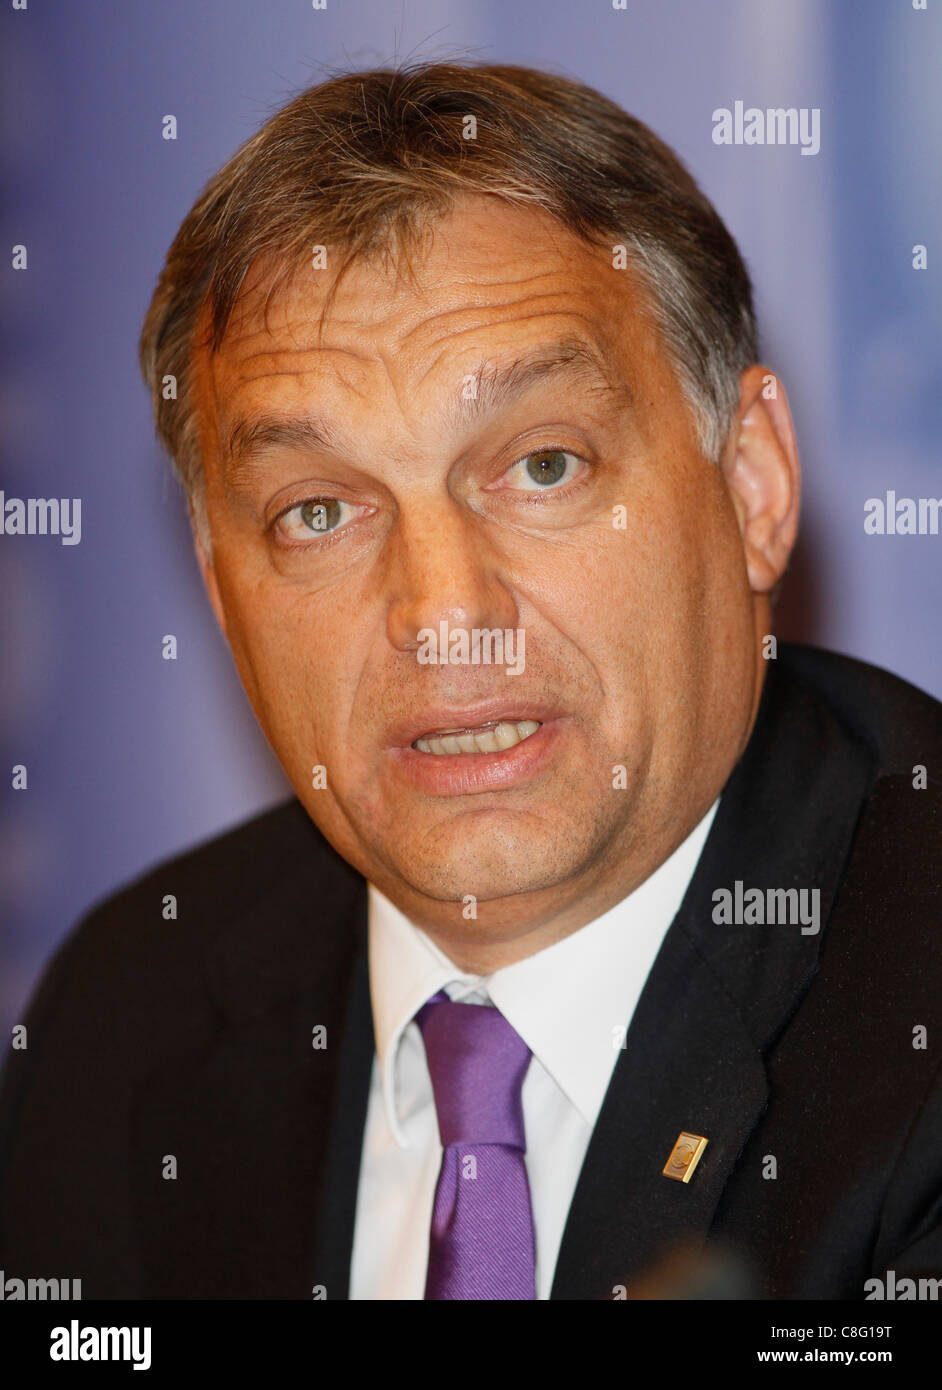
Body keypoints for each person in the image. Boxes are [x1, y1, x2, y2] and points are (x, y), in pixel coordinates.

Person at [1, 62, 940, 1302]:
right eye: (320, 510)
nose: (443, 615)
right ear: (222, 592)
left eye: (543, 465)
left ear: (752, 482)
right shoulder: (128, 1013)